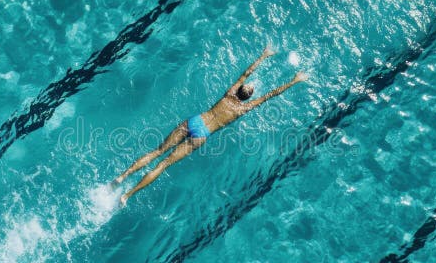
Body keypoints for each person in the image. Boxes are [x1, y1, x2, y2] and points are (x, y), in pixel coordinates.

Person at [113, 47, 307, 205]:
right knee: (163, 165)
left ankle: (122, 177)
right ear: (249, 97)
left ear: (240, 90)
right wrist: (294, 81)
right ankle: (127, 195)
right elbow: (271, 95)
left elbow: (246, 73)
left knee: (158, 151)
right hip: (202, 134)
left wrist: (263, 55)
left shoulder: (229, 94)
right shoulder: (242, 109)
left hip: (195, 121)